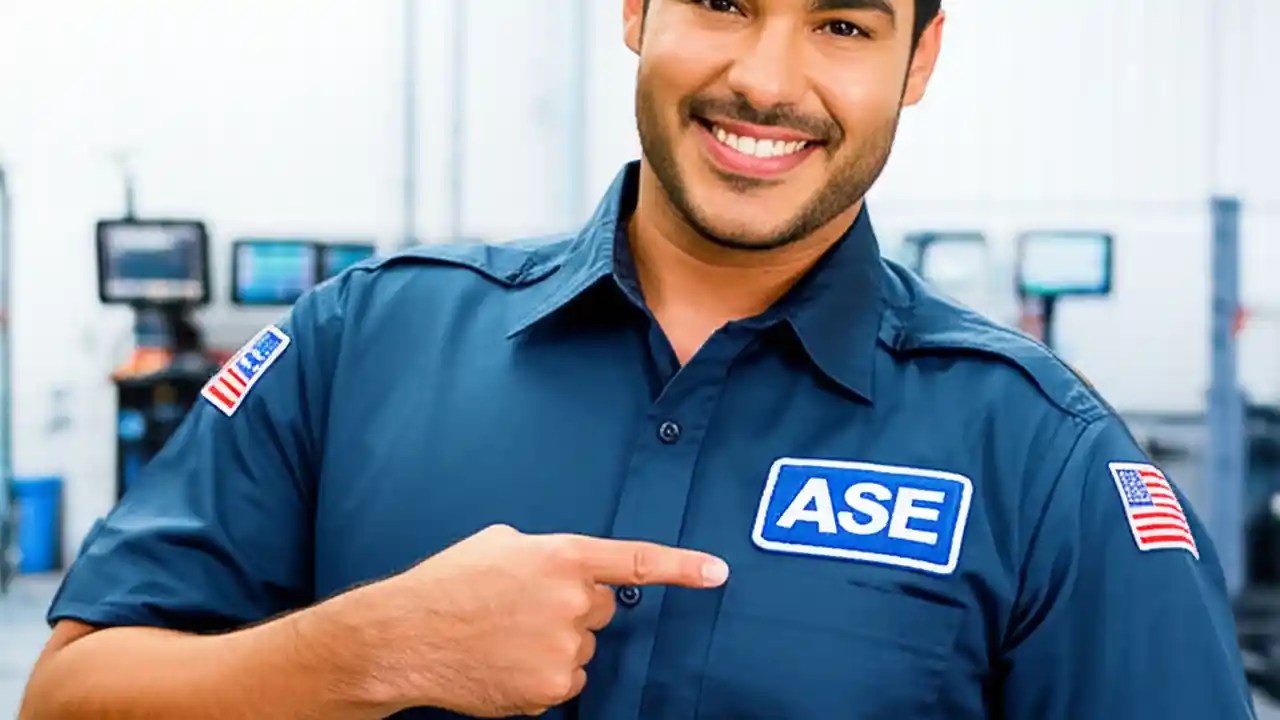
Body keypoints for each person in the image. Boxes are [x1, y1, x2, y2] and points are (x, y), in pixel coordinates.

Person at [20, 0, 1257, 718]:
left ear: (917, 60)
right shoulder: (358, 344)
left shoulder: (1038, 454)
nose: (764, 80)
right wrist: (371, 651)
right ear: (634, 8)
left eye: (839, 22)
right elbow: (69, 699)